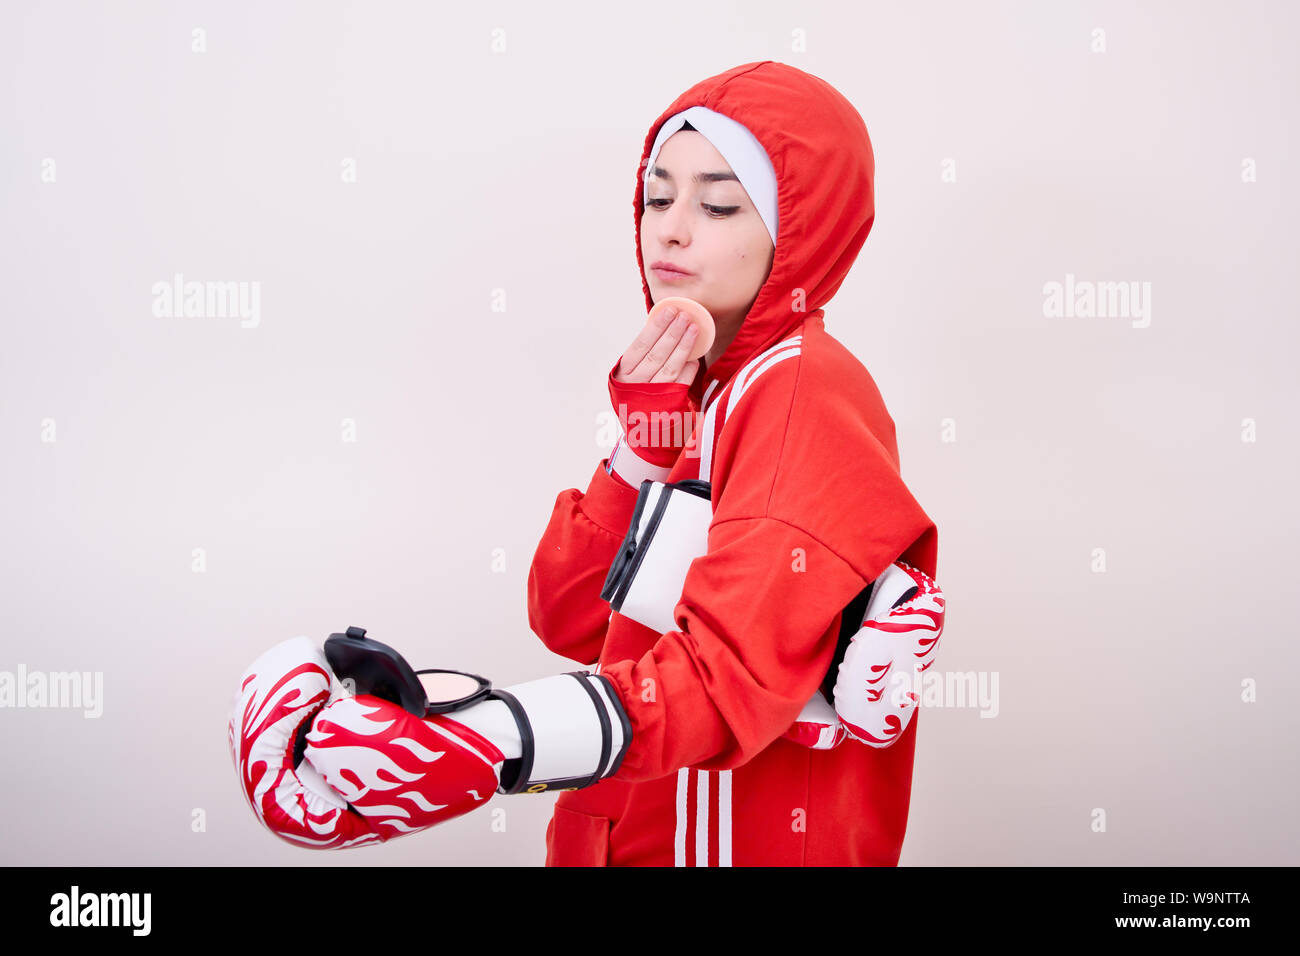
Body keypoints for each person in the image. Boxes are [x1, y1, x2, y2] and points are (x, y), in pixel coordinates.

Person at [527, 60, 941, 866]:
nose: (671, 228)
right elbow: (570, 617)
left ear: (799, 230)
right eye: (657, 196)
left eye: (718, 203)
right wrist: (641, 448)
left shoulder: (798, 393)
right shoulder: (703, 390)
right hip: (623, 832)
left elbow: (722, 685)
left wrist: (495, 741)